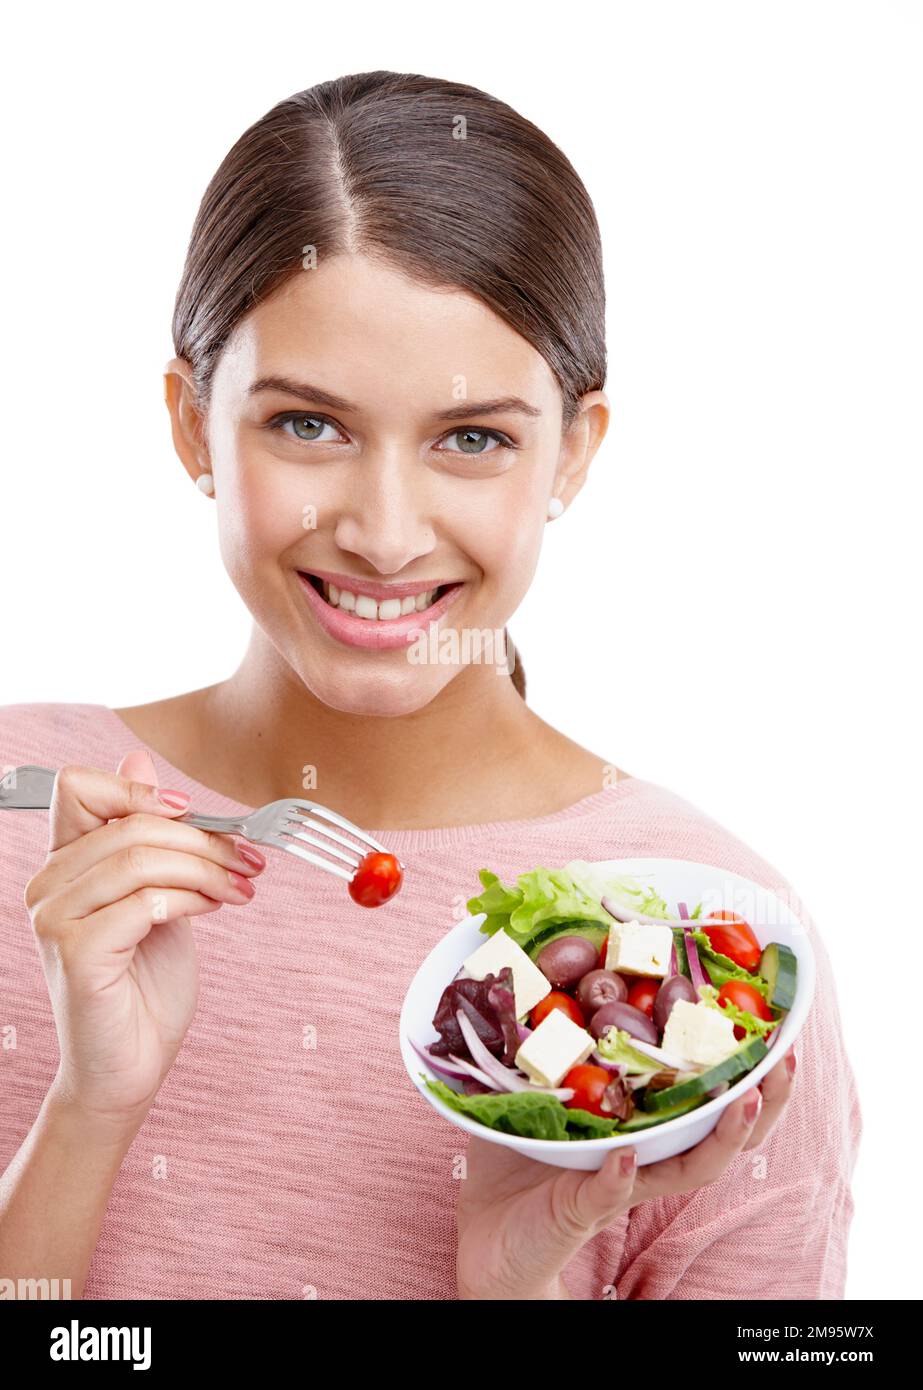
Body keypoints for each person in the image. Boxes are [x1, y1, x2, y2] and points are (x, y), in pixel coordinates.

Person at [0, 70, 860, 1301]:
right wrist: (87, 1111)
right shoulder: (28, 817)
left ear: (571, 452)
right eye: (308, 424)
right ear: (194, 425)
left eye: (471, 440)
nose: (387, 535)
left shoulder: (718, 954)